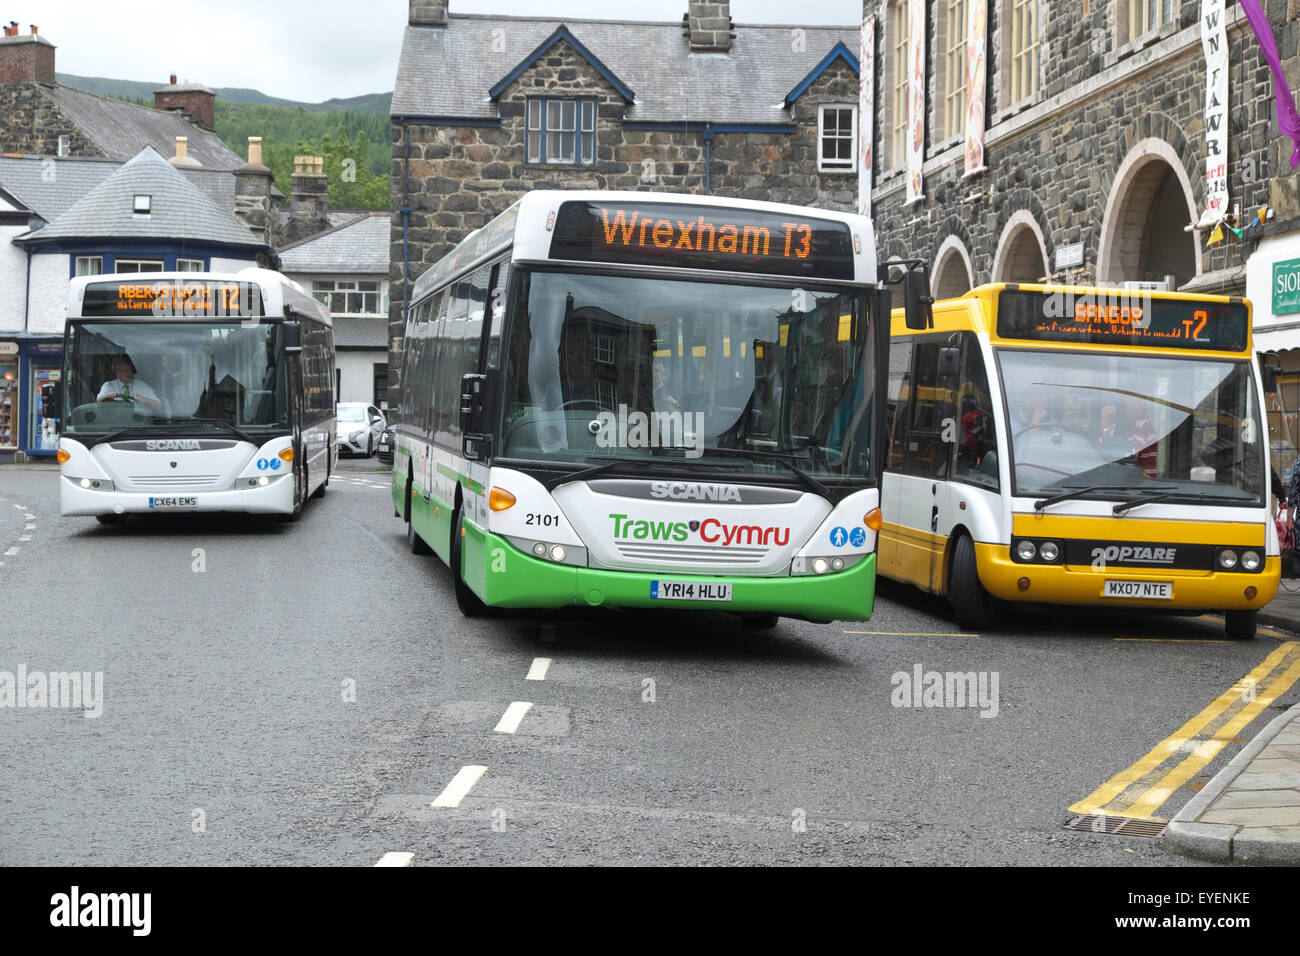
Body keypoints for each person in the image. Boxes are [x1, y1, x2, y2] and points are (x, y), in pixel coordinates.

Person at [97, 355, 161, 413]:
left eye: (130, 370)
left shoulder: (142, 386)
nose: (129, 373)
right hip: (115, 420)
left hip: (138, 419)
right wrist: (107, 396)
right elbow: (98, 401)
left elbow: (158, 405)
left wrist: (146, 400)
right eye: (125, 371)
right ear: (118, 373)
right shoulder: (108, 386)